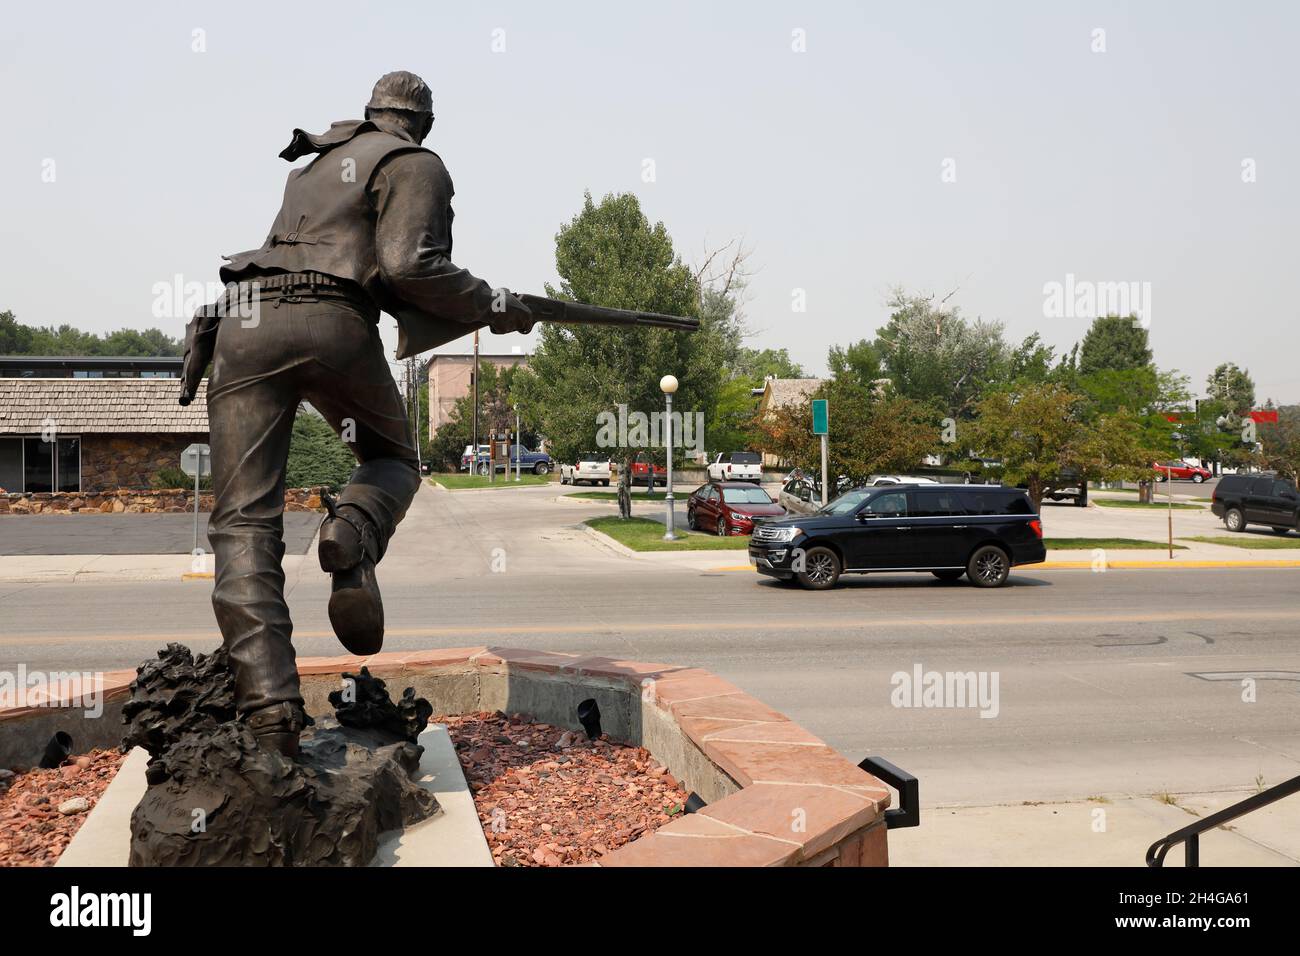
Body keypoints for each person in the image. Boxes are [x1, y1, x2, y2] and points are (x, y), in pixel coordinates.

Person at [204, 71, 533, 756]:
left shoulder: (316, 164)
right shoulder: (415, 163)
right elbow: (411, 267)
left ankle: (268, 711)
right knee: (392, 460)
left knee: (242, 522)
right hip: (328, 322)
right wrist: (496, 304)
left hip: (242, 322)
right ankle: (353, 528)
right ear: (425, 124)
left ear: (369, 114)